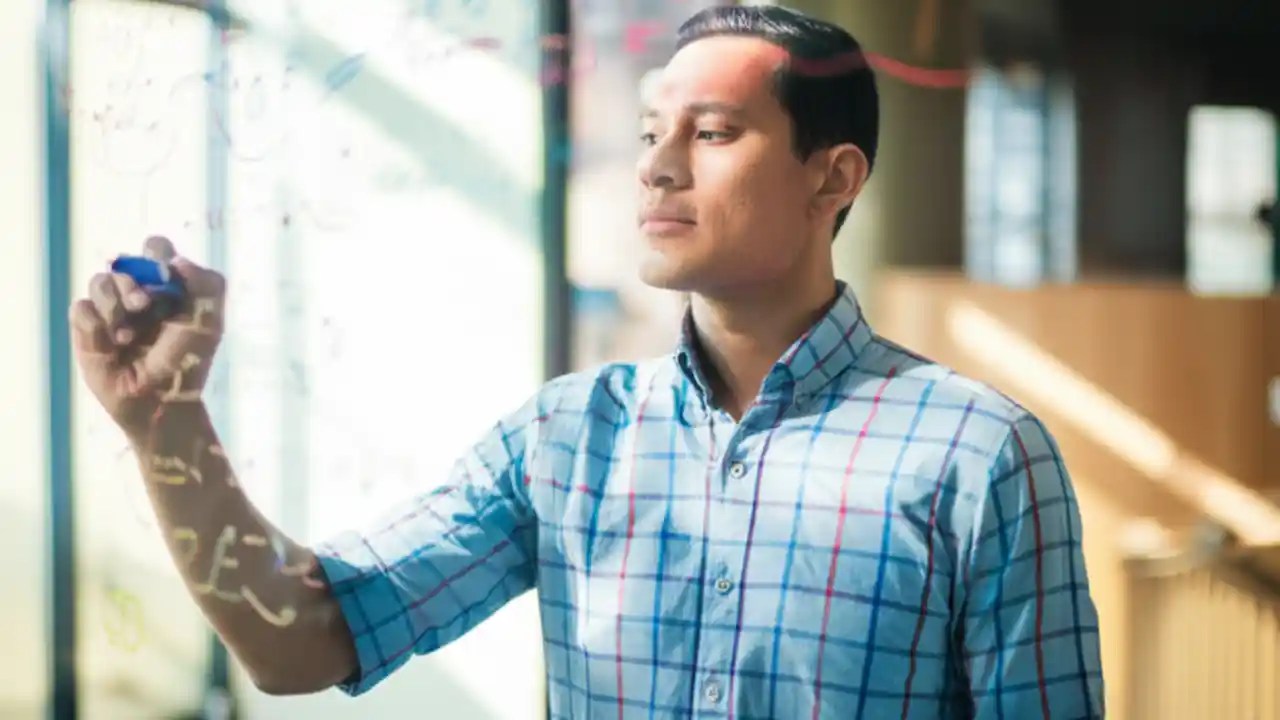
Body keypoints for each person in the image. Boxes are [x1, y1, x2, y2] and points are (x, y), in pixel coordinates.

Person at [70, 5, 1104, 718]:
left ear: (830, 177)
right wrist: (168, 427)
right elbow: (299, 639)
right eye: (653, 130)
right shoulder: (564, 437)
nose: (654, 165)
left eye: (710, 132)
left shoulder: (977, 454)